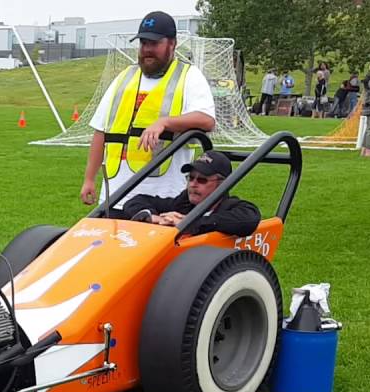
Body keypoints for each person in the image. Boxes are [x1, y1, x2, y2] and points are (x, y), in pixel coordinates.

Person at [80, 11, 216, 205]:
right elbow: (101, 132)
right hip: (114, 197)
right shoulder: (125, 77)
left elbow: (206, 120)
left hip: (164, 198)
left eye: (154, 43)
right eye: (143, 43)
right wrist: (89, 179)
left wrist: (165, 123)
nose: (147, 49)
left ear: (172, 44)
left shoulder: (188, 76)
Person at [112, 152, 260, 237]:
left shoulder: (232, 207)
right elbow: (136, 201)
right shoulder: (182, 203)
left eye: (202, 180)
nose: (193, 184)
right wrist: (152, 217)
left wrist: (190, 222)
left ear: (222, 184)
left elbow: (250, 219)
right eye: (191, 177)